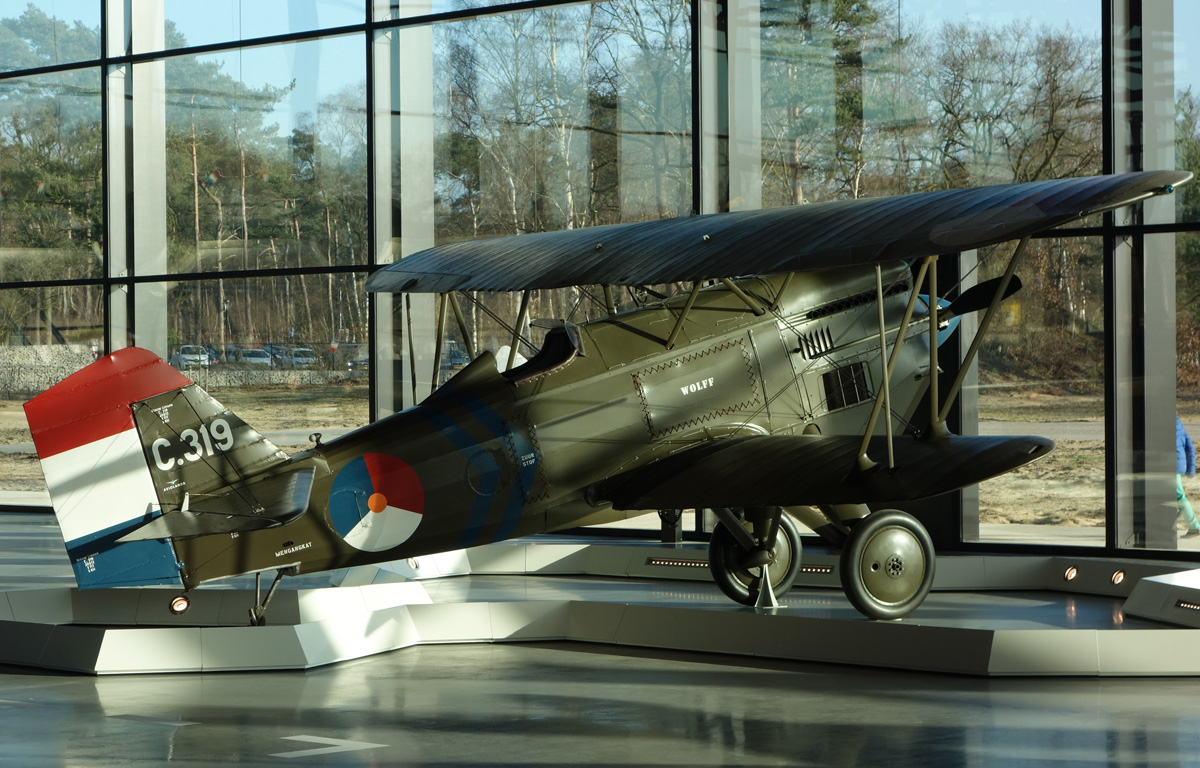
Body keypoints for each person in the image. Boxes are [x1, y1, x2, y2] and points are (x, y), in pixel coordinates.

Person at [1177, 415, 1199, 538]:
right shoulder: (1178, 424)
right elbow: (1189, 445)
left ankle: (1194, 526)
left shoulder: (1163, 423)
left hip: (1170, 465)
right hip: (1178, 464)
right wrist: (1190, 469)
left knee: (1178, 495)